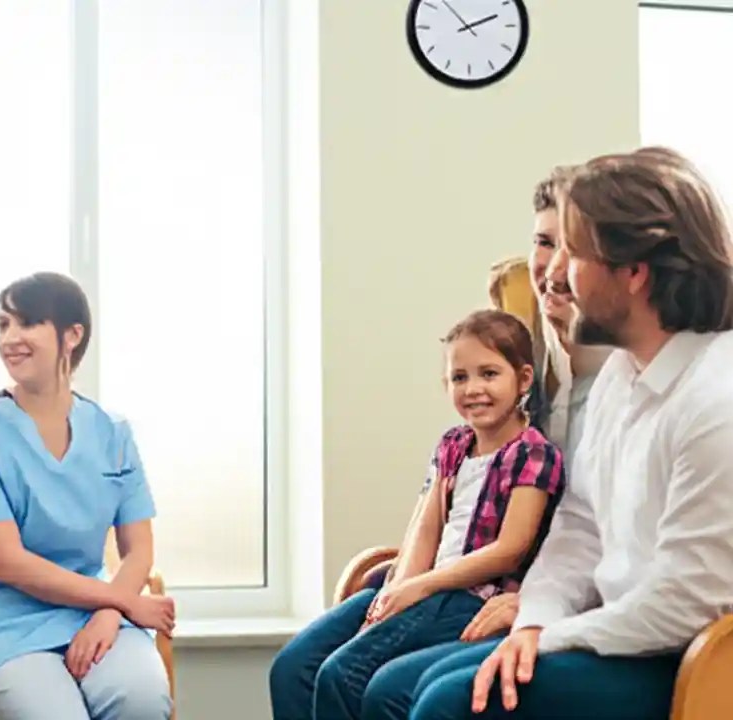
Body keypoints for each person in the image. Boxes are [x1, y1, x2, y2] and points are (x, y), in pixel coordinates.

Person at [408, 146, 733, 719]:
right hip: (618, 634)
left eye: (574, 253)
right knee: (413, 686)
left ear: (634, 273)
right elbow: (578, 528)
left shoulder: (715, 398)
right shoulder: (619, 376)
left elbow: (687, 601)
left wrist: (550, 638)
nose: (554, 275)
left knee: (447, 703)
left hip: (686, 663)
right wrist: (535, 620)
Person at [357, 170, 613, 720]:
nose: (553, 267)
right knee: (307, 663)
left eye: (574, 248)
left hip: (532, 595)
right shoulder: (543, 376)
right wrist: (401, 584)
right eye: (544, 243)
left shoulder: (622, 392)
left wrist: (538, 605)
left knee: (397, 690)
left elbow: (587, 537)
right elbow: (437, 504)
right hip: (512, 585)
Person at [268, 309, 567, 720]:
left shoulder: (532, 453)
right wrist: (398, 592)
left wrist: (421, 588)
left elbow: (510, 550)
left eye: (489, 374)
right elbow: (425, 529)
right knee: (293, 667)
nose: (473, 388)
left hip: (467, 598)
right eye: (460, 377)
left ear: (524, 380)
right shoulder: (453, 445)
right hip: (421, 588)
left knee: (342, 674)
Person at [0, 271, 174, 720]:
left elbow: (139, 549)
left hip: (88, 612)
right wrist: (123, 602)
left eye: (27, 323)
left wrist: (107, 616)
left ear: (72, 335)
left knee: (142, 701)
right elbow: (10, 564)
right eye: (3, 324)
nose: (10, 338)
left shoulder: (112, 433)